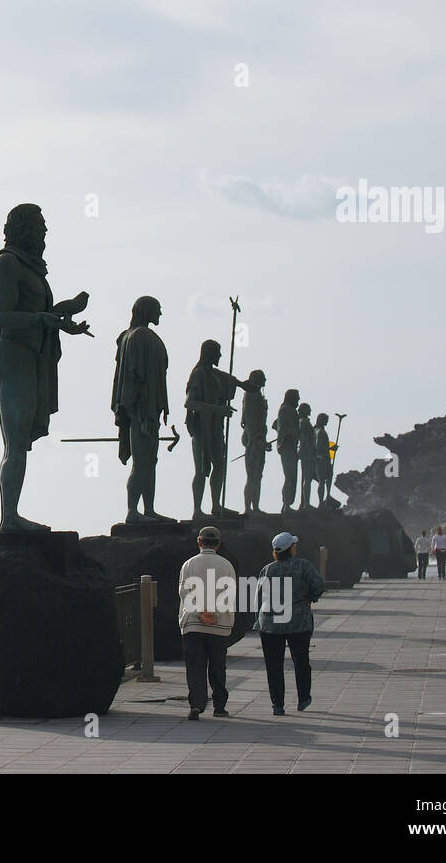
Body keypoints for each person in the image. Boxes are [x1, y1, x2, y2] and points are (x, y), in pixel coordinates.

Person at [0, 204, 91, 532]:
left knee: (19, 444)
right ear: (26, 227)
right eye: (41, 225)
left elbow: (35, 314)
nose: (45, 232)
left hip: (31, 358)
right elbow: (1, 318)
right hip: (13, 358)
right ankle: (10, 519)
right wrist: (43, 319)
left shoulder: (33, 269)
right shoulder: (8, 262)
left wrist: (63, 315)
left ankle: (12, 516)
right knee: (14, 444)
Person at [111, 296, 170, 524]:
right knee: (142, 461)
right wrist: (140, 411)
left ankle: (149, 509)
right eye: (158, 309)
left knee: (150, 460)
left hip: (149, 409)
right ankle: (133, 511)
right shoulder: (139, 337)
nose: (160, 314)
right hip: (142, 410)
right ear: (147, 311)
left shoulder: (134, 336)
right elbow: (135, 377)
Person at [257, 531, 325, 715]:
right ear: (291, 549)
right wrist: (310, 598)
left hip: (270, 623)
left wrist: (259, 620)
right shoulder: (303, 566)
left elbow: (259, 597)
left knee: (274, 664)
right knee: (301, 660)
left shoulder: (267, 569)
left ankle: (277, 704)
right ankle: (303, 698)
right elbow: (319, 585)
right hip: (298, 621)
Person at [184, 340, 248, 519]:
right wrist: (217, 409)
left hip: (215, 429)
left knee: (219, 466)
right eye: (218, 352)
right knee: (201, 470)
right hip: (201, 429)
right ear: (209, 353)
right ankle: (197, 510)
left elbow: (231, 380)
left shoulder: (214, 374)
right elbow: (190, 403)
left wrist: (245, 385)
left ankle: (216, 505)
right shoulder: (198, 374)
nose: (220, 356)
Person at [178, 526, 236, 720]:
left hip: (193, 624)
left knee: (195, 665)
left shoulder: (188, 565)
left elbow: (184, 593)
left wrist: (199, 613)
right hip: (219, 626)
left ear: (199, 542)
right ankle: (219, 706)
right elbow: (230, 594)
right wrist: (214, 614)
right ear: (218, 544)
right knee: (218, 666)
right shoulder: (226, 565)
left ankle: (196, 704)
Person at [241, 370, 269, 513]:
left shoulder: (257, 395)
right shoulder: (251, 396)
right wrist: (258, 440)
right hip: (254, 441)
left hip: (259, 440)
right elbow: (251, 422)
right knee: (252, 476)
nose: (264, 380)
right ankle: (248, 508)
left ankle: (255, 507)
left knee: (257, 476)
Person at [273, 389, 300, 513]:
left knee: (293, 477)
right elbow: (282, 427)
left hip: (293, 447)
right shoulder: (284, 410)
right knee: (289, 476)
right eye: (297, 398)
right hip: (286, 446)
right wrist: (296, 432)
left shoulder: (292, 411)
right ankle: (286, 504)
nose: (298, 400)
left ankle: (288, 503)